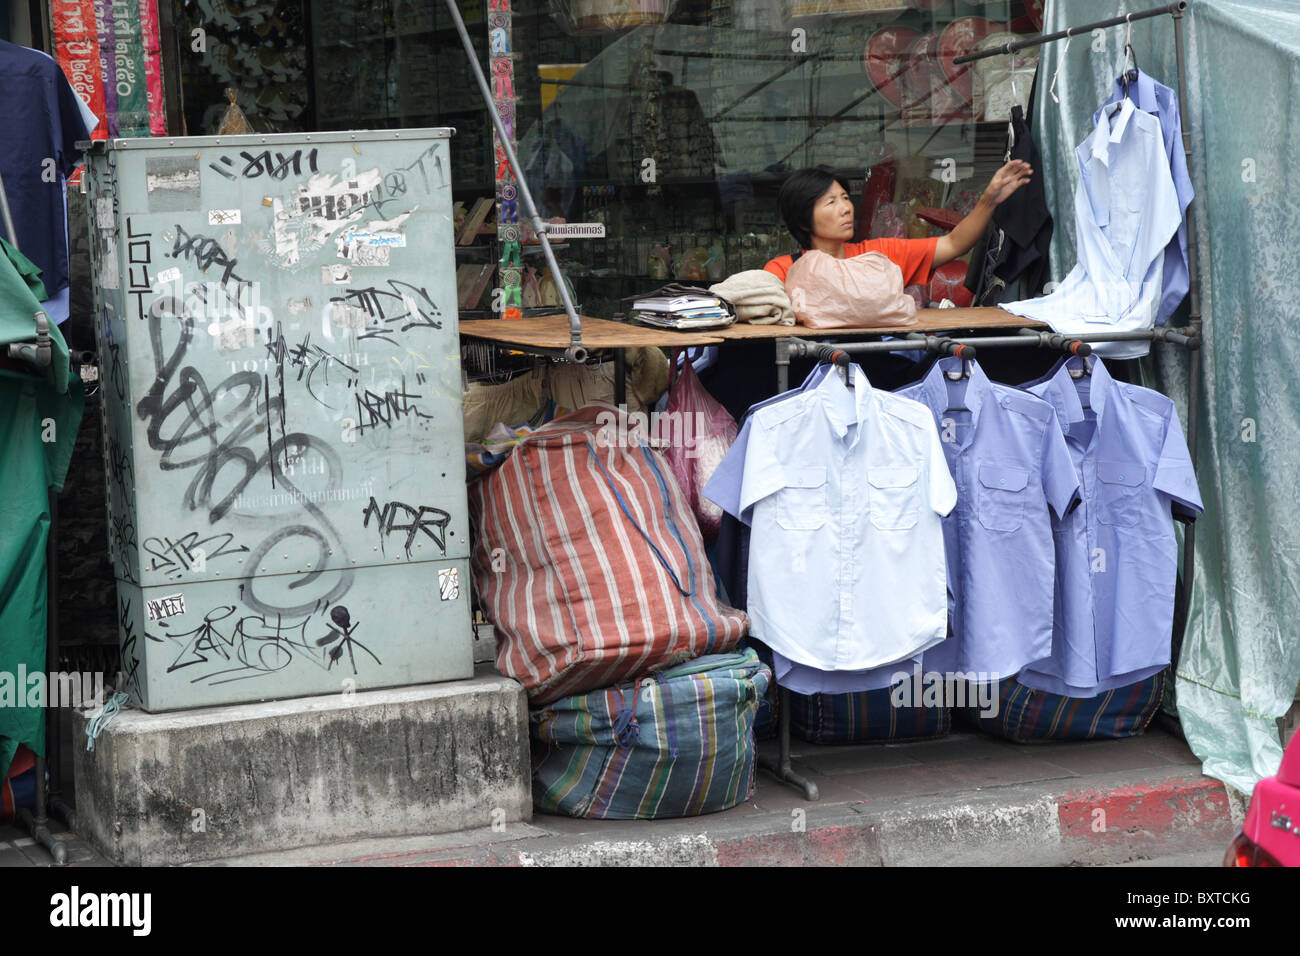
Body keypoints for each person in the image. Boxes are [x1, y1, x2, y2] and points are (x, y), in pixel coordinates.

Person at [763, 161, 1034, 289]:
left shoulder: (879, 256)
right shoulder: (783, 270)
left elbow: (954, 243)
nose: (846, 208)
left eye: (845, 198)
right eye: (830, 202)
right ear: (803, 219)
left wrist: (989, 200)